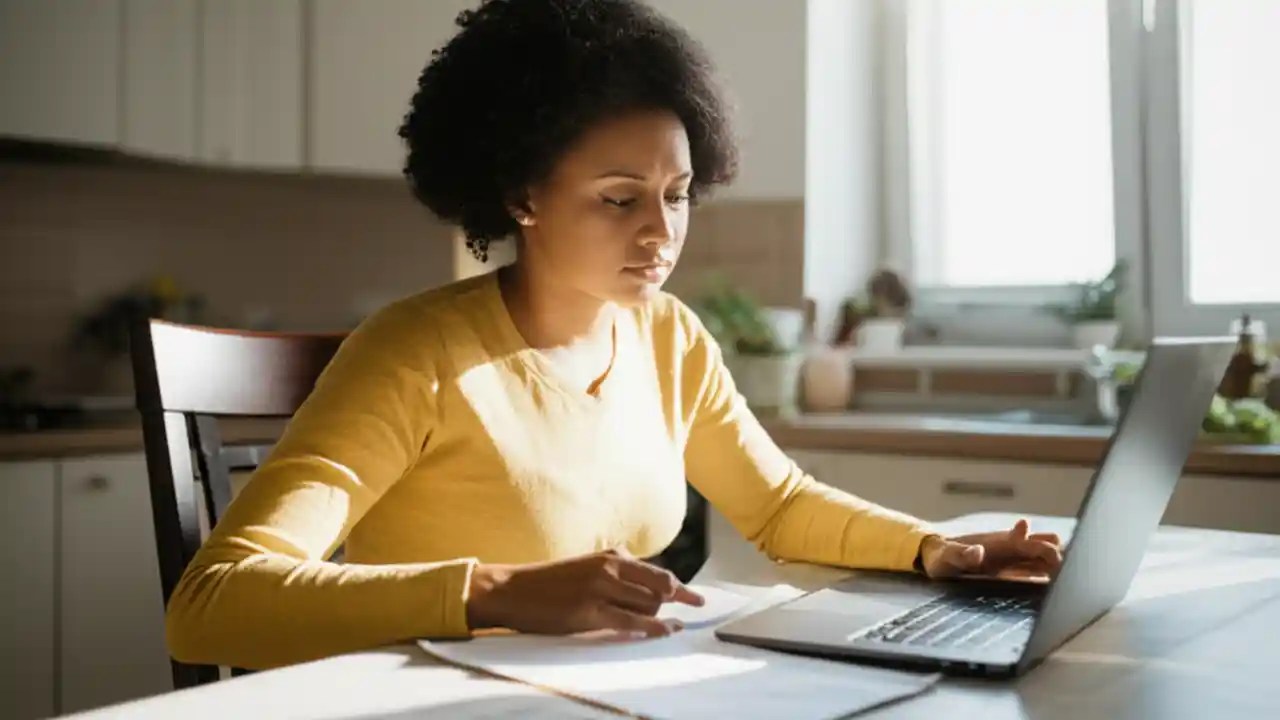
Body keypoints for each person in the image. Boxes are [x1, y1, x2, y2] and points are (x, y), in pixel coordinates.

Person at [166, 0, 1063, 670]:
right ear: (522, 196)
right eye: (619, 198)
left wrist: (933, 548)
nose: (661, 231)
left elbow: (779, 505)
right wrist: (499, 593)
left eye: (677, 195)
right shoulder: (415, 354)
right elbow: (210, 605)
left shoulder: (667, 337)